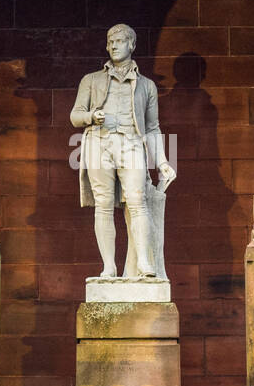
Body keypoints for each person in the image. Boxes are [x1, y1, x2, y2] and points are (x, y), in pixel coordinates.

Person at [70, 23, 176, 279]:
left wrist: (162, 161)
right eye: (110, 41)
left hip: (131, 143)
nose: (114, 45)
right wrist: (91, 117)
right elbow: (75, 116)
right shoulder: (91, 80)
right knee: (103, 205)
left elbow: (152, 128)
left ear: (132, 45)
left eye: (120, 40)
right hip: (98, 142)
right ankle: (109, 266)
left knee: (138, 202)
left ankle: (144, 264)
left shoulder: (147, 86)